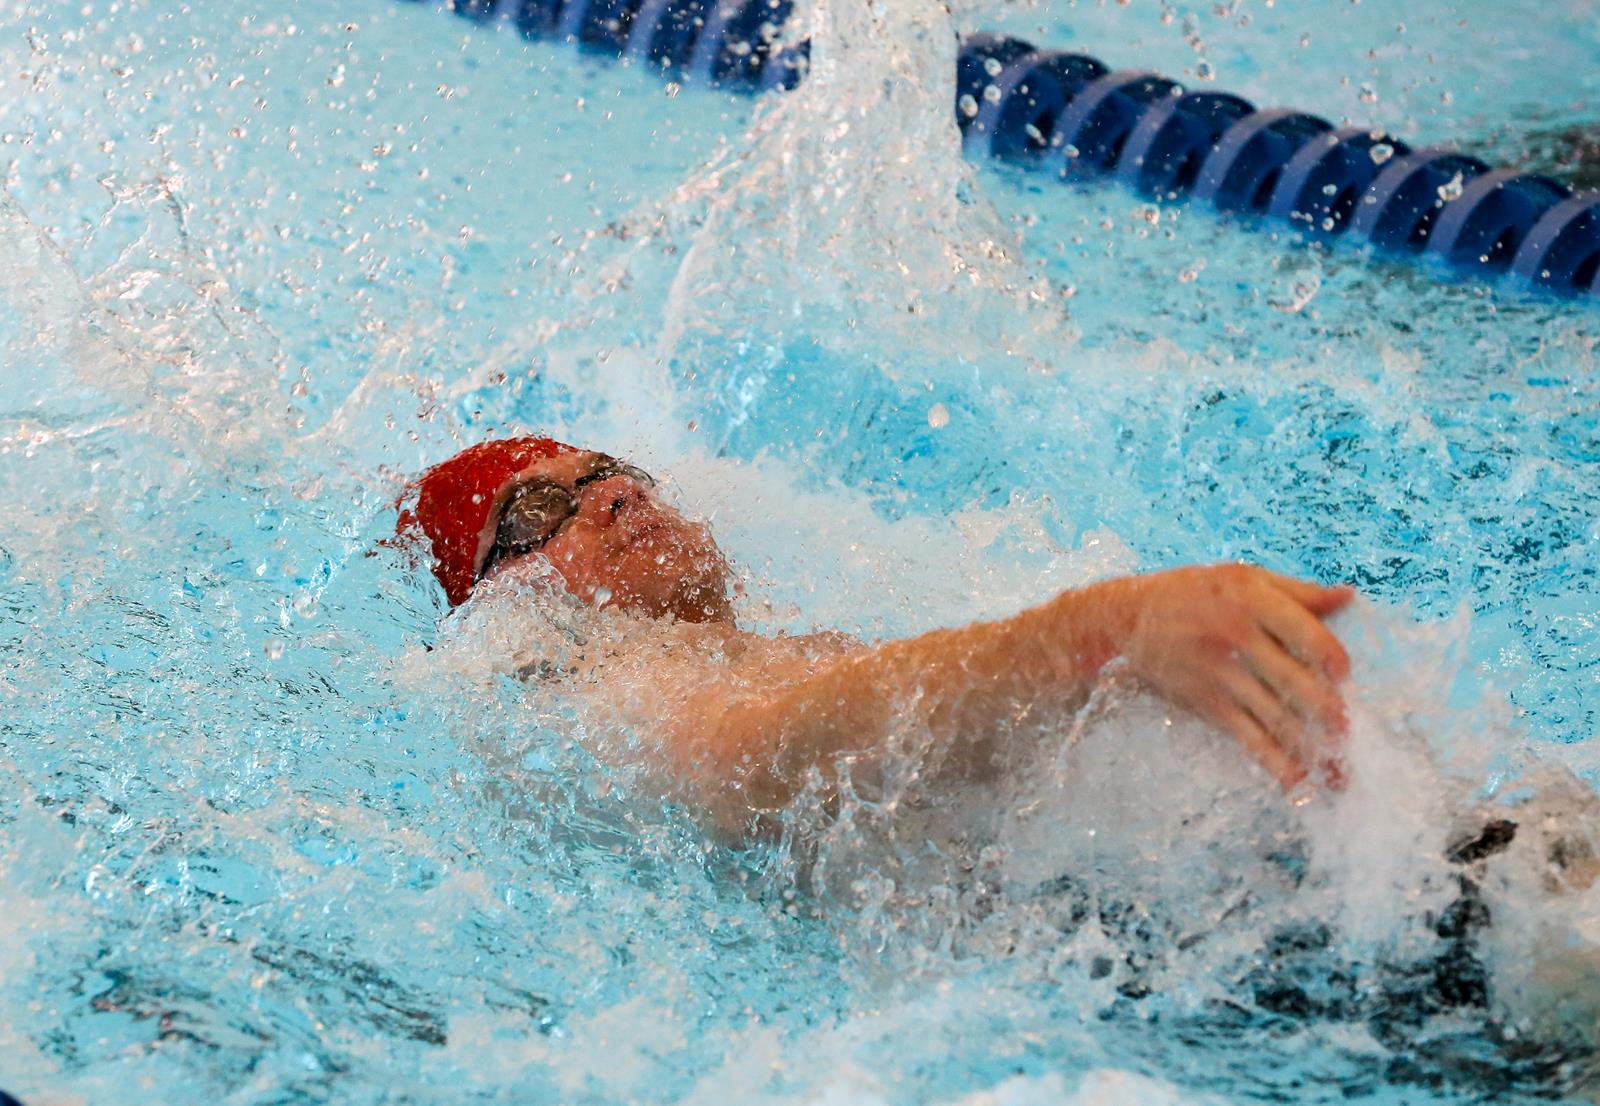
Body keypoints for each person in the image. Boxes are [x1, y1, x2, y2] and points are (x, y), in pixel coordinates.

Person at [396, 434, 1355, 833]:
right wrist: (1108, 629)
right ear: (507, 609)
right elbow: (753, 757)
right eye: (536, 515)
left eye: (608, 467)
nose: (611, 492)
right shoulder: (598, 694)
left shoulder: (774, 650)